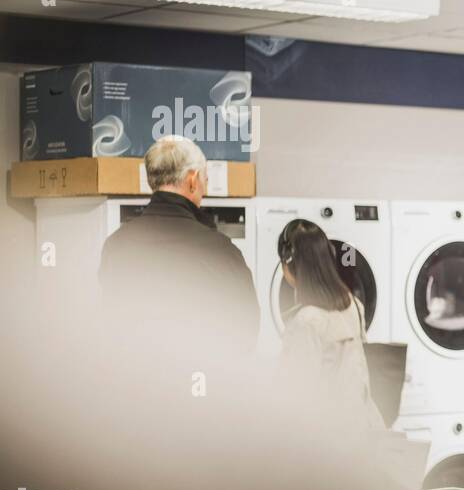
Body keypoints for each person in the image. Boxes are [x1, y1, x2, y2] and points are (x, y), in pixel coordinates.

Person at [98, 134, 259, 354]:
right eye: (206, 180)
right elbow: (247, 330)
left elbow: (108, 323)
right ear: (193, 180)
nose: (205, 187)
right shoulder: (221, 250)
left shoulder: (116, 245)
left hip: (133, 380)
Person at [277, 218, 385, 431]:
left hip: (327, 440)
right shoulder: (355, 306)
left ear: (288, 264)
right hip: (360, 426)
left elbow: (297, 396)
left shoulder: (306, 322)